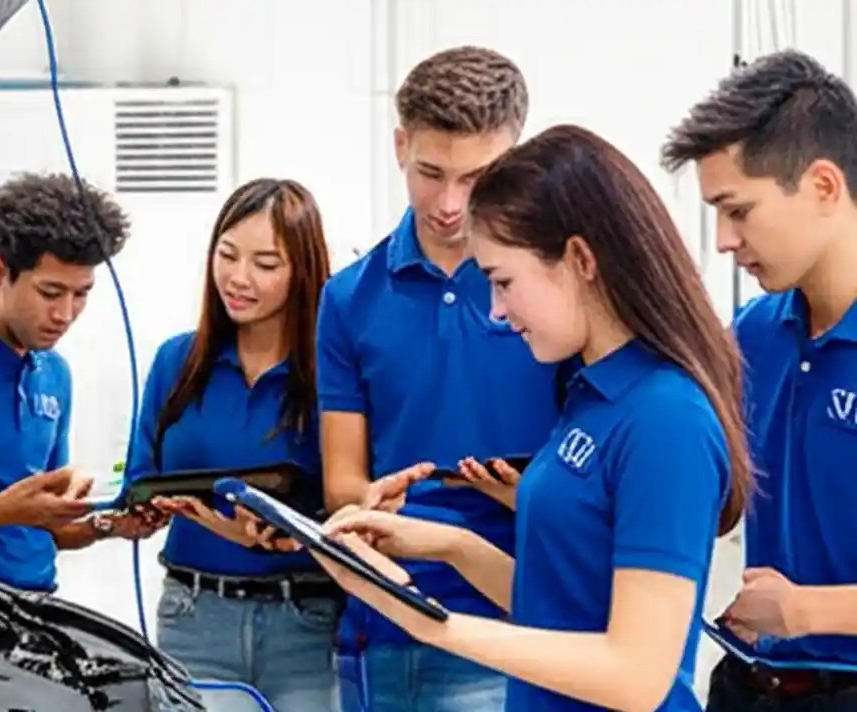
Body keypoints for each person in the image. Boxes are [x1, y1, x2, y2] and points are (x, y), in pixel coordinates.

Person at [312, 124, 752, 712]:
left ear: (579, 260)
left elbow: (638, 675)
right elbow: (561, 608)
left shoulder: (665, 419)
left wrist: (426, 621)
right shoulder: (591, 396)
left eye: (503, 281)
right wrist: (448, 545)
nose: (496, 309)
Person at [314, 45, 567, 710]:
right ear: (400, 145)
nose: (450, 203)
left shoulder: (562, 295)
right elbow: (342, 479)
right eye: (430, 172)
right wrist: (373, 496)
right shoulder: (348, 300)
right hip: (385, 619)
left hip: (517, 624)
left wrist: (534, 491)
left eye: (475, 177)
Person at [661, 49, 857, 710]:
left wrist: (807, 610)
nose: (721, 239)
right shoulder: (751, 334)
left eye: (737, 210)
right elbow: (721, 503)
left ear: (824, 187)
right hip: (749, 685)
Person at [0, 172, 166, 592]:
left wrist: (109, 524)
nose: (65, 313)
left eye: (81, 294)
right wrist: (4, 511)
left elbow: (47, 529)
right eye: (50, 292)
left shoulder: (55, 374)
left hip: (37, 609)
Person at [125, 178, 338, 710]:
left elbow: (353, 499)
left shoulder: (332, 373)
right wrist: (130, 514)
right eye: (227, 255)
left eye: (266, 265)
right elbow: (137, 482)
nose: (239, 278)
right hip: (195, 619)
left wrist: (281, 532)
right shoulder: (177, 362)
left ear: (303, 272)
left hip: (307, 624)